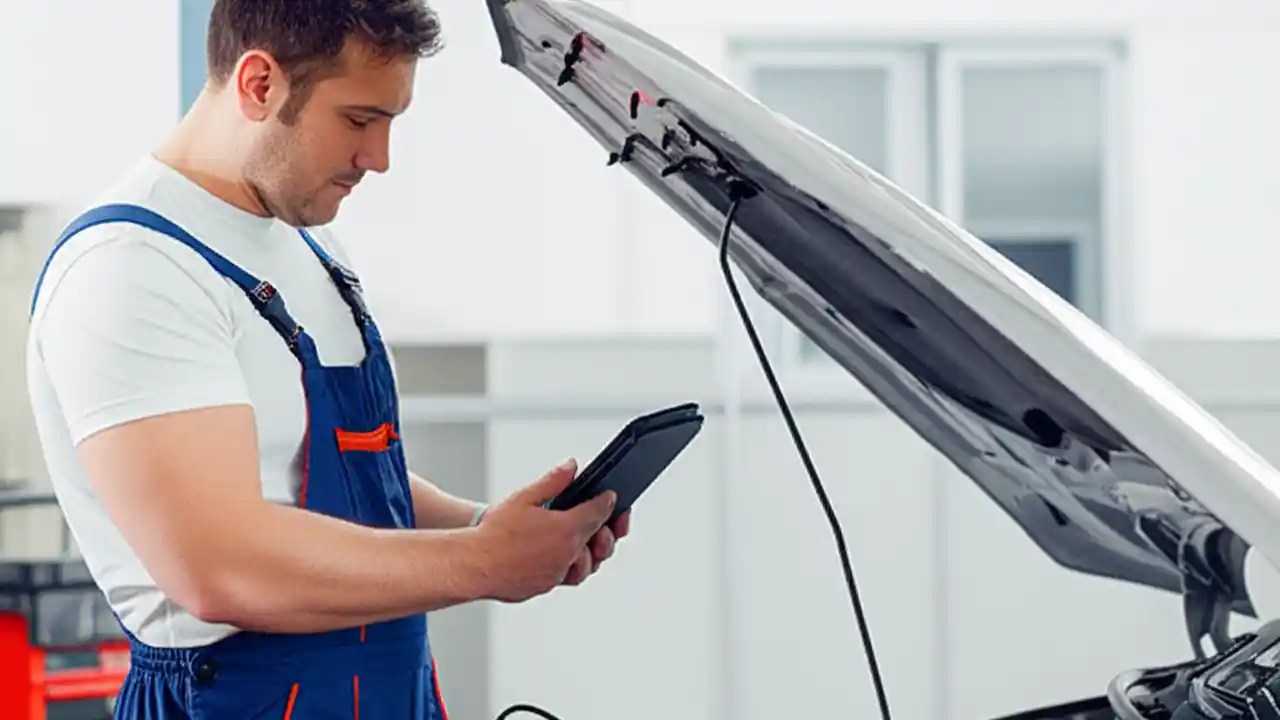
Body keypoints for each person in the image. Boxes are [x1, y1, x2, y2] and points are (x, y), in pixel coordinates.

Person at [24, 1, 629, 717]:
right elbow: (219, 566)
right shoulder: (134, 268)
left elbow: (344, 470)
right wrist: (486, 561)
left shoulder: (309, 245)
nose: (379, 159)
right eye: (359, 120)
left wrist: (491, 527)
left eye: (390, 123)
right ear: (258, 84)